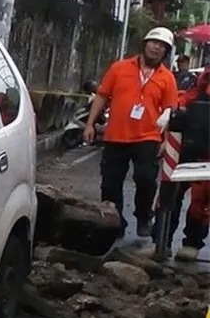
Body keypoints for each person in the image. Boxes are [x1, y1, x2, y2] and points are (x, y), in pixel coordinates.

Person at [84, 26, 180, 237]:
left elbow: (169, 111)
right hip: (116, 135)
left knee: (146, 178)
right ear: (145, 44)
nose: (157, 48)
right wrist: (90, 124)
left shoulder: (167, 78)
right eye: (154, 43)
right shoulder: (119, 68)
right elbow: (102, 96)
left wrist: (166, 140)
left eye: (162, 46)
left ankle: (144, 215)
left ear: (166, 52)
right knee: (110, 182)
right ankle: (114, 221)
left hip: (148, 137)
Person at [153, 67, 210, 261]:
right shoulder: (198, 81)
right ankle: (160, 241)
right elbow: (181, 103)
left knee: (201, 203)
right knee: (169, 195)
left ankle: (192, 243)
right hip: (186, 146)